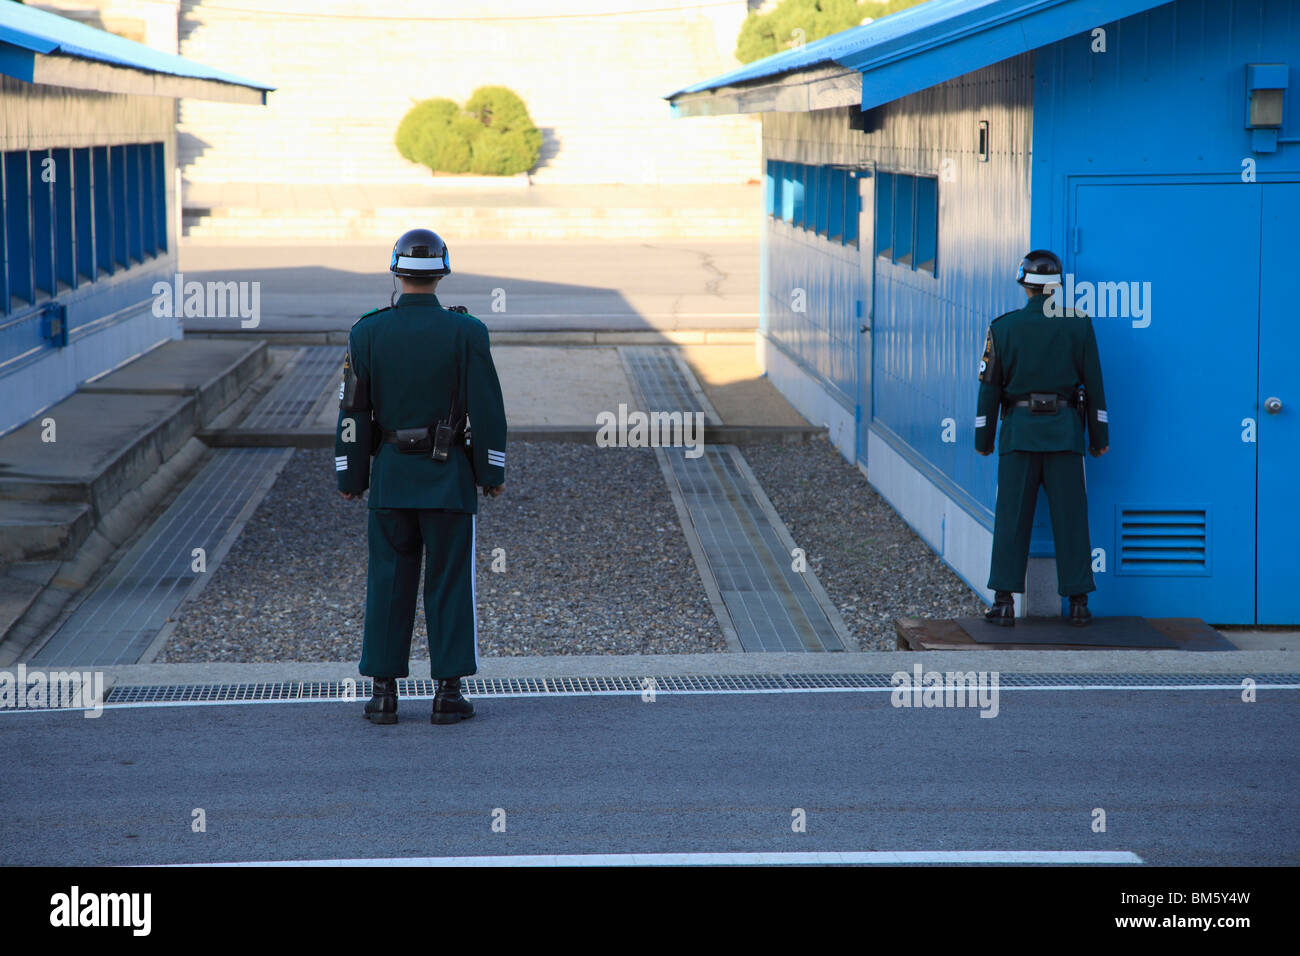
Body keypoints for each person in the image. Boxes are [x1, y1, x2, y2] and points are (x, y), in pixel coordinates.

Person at [335, 228, 507, 723]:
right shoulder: (467, 332)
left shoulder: (366, 332)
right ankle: (447, 694)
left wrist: (351, 476)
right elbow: (488, 411)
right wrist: (490, 470)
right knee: (450, 582)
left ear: (396, 272)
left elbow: (354, 413)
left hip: (390, 479)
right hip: (448, 477)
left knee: (388, 582)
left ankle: (384, 694)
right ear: (443, 274)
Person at [974, 249, 1109, 627]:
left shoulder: (1002, 328)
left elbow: (989, 390)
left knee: (1011, 518)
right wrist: (1099, 436)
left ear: (1023, 283)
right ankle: (1079, 602)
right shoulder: (1078, 325)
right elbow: (1095, 386)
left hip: (1018, 436)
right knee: (1072, 518)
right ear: (1056, 287)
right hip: (1065, 436)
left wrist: (983, 439)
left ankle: (1003, 602)